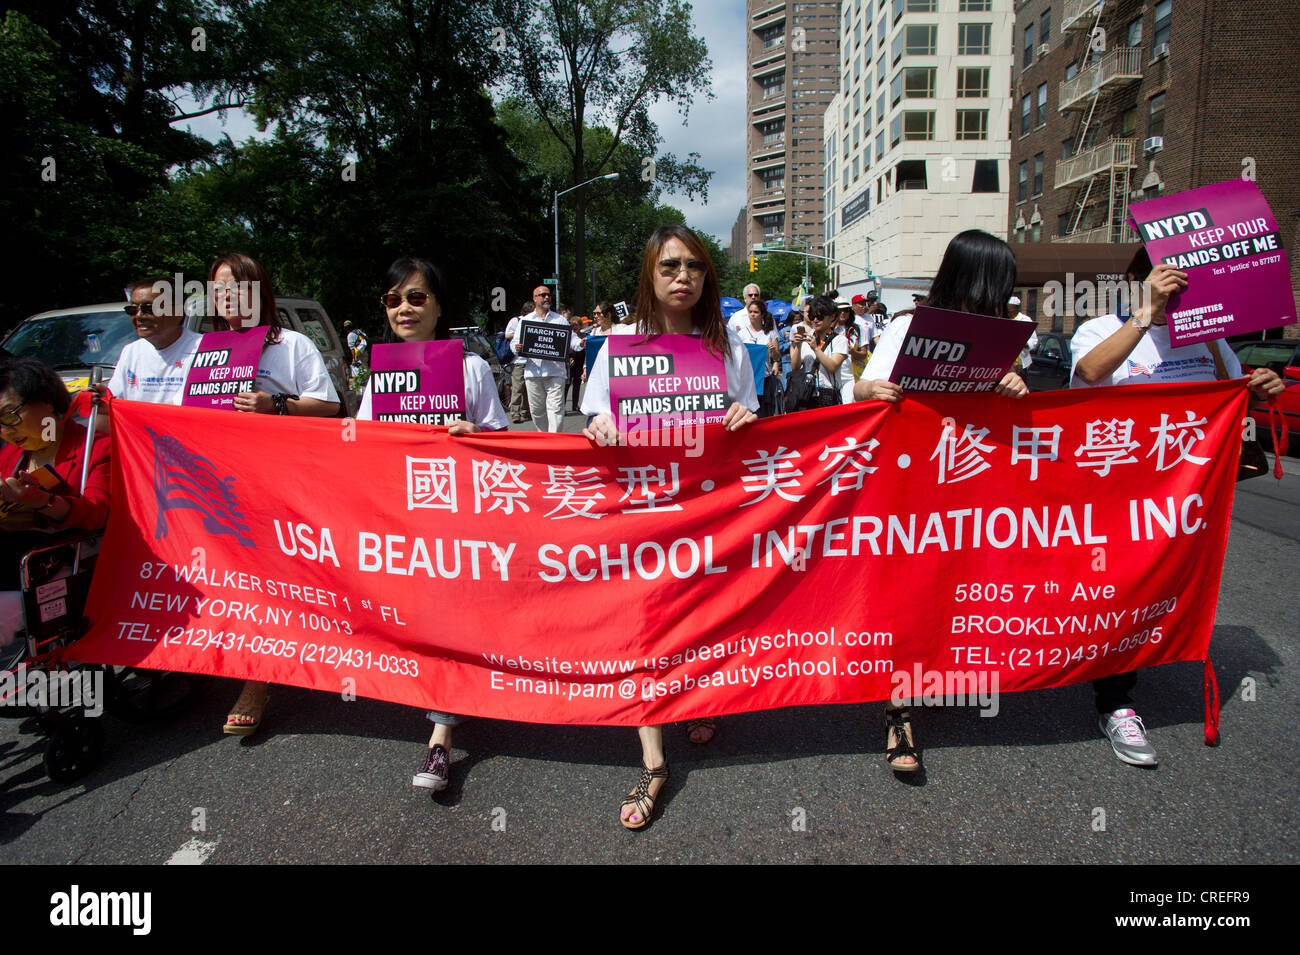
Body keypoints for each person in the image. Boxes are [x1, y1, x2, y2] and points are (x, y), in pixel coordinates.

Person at [1070, 247, 1283, 767]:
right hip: (1120, 496)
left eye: (1185, 281)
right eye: (1165, 277)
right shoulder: (1100, 329)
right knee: (1122, 593)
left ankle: (1150, 653)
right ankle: (1116, 704)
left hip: (1187, 498)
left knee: (1170, 588)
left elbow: (1230, 398)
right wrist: (1146, 312)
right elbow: (1091, 373)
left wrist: (1258, 390)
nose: (1176, 289)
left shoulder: (1209, 337)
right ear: (1136, 279)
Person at [582, 224, 758, 828]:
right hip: (642, 515)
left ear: (707, 276)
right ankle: (654, 762)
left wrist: (745, 415)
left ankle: (698, 698)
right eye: (669, 266)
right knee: (647, 627)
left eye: (694, 266)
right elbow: (595, 415)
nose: (683, 277)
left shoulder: (728, 347)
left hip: (710, 513)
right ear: (650, 275)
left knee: (703, 615)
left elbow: (752, 422)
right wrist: (601, 425)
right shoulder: (618, 345)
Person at [854, 229, 1030, 775]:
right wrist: (872, 390)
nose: (1000, 295)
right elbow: (859, 390)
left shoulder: (1004, 336)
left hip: (969, 493)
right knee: (906, 597)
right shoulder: (908, 327)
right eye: (994, 282)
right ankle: (898, 712)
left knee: (952, 589)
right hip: (907, 489)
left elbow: (1008, 418)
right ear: (968, 278)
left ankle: (939, 672)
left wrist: (1014, 387)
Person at [356, 256, 508, 791]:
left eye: (417, 297)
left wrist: (474, 435)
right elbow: (359, 443)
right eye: (393, 299)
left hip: (456, 516)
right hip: (402, 518)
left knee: (450, 617)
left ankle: (439, 740)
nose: (404, 308)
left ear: (440, 307)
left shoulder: (471, 368)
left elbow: (503, 440)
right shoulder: (379, 373)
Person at [208, 253, 341, 737]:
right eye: (219, 288)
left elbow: (329, 406)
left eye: (237, 287)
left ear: (259, 291)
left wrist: (277, 404)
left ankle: (257, 679)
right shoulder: (205, 351)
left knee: (266, 578)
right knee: (232, 580)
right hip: (218, 483)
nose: (228, 297)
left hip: (277, 482)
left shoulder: (292, 345)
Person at [0, 357, 111, 645]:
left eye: (10, 415)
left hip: (68, 568)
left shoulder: (96, 447)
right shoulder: (12, 456)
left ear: (47, 402)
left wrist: (41, 501)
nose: (6, 430)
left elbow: (97, 514)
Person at [102, 277, 203, 405]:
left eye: (149, 309)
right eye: (132, 310)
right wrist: (101, 399)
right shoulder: (130, 352)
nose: (139, 316)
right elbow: (113, 403)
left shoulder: (203, 349)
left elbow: (194, 405)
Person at [511, 286, 581, 432]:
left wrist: (580, 343)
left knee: (556, 409)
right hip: (533, 373)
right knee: (537, 411)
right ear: (535, 298)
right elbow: (514, 343)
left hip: (555, 372)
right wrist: (516, 347)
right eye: (543, 295)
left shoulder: (560, 320)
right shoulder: (526, 321)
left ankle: (554, 439)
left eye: (548, 295)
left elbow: (572, 339)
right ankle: (544, 437)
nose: (547, 297)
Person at [790, 295, 854, 409]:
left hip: (828, 394)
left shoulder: (839, 340)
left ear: (832, 317)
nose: (815, 320)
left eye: (820, 316)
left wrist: (815, 348)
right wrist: (798, 347)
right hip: (807, 394)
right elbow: (795, 367)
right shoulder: (808, 338)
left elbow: (832, 366)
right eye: (812, 316)